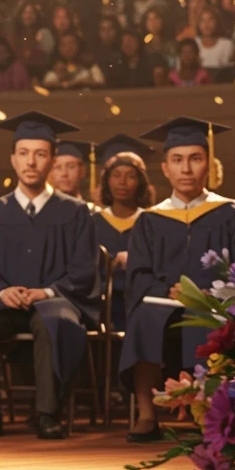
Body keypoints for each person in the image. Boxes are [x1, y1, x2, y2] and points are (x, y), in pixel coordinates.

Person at [120, 117, 235, 442]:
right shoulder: (150, 220)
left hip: (214, 302)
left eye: (195, 159)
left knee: (210, 319)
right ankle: (146, 413)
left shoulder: (233, 214)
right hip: (162, 301)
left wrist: (209, 294)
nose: (186, 169)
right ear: (165, 168)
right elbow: (138, 275)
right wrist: (166, 290)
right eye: (177, 160)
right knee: (142, 319)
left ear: (208, 165)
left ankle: (209, 411)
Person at [0, 113, 98, 440]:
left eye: (40, 154)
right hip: (5, 301)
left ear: (52, 161)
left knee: (54, 320)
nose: (31, 162)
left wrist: (47, 292)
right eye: (24, 153)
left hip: (55, 300)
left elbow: (85, 269)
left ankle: (47, 413)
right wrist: (0, 291)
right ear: (13, 160)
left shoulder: (76, 212)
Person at [92, 135, 155, 333]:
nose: (122, 182)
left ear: (141, 182)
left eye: (130, 176)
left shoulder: (152, 222)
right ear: (107, 180)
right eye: (116, 175)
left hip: (142, 303)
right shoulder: (92, 222)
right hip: (101, 305)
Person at [48, 139, 91, 204]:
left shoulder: (91, 209)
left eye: (70, 167)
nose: (64, 173)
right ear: (49, 172)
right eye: (58, 167)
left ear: (82, 171)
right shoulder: (39, 209)